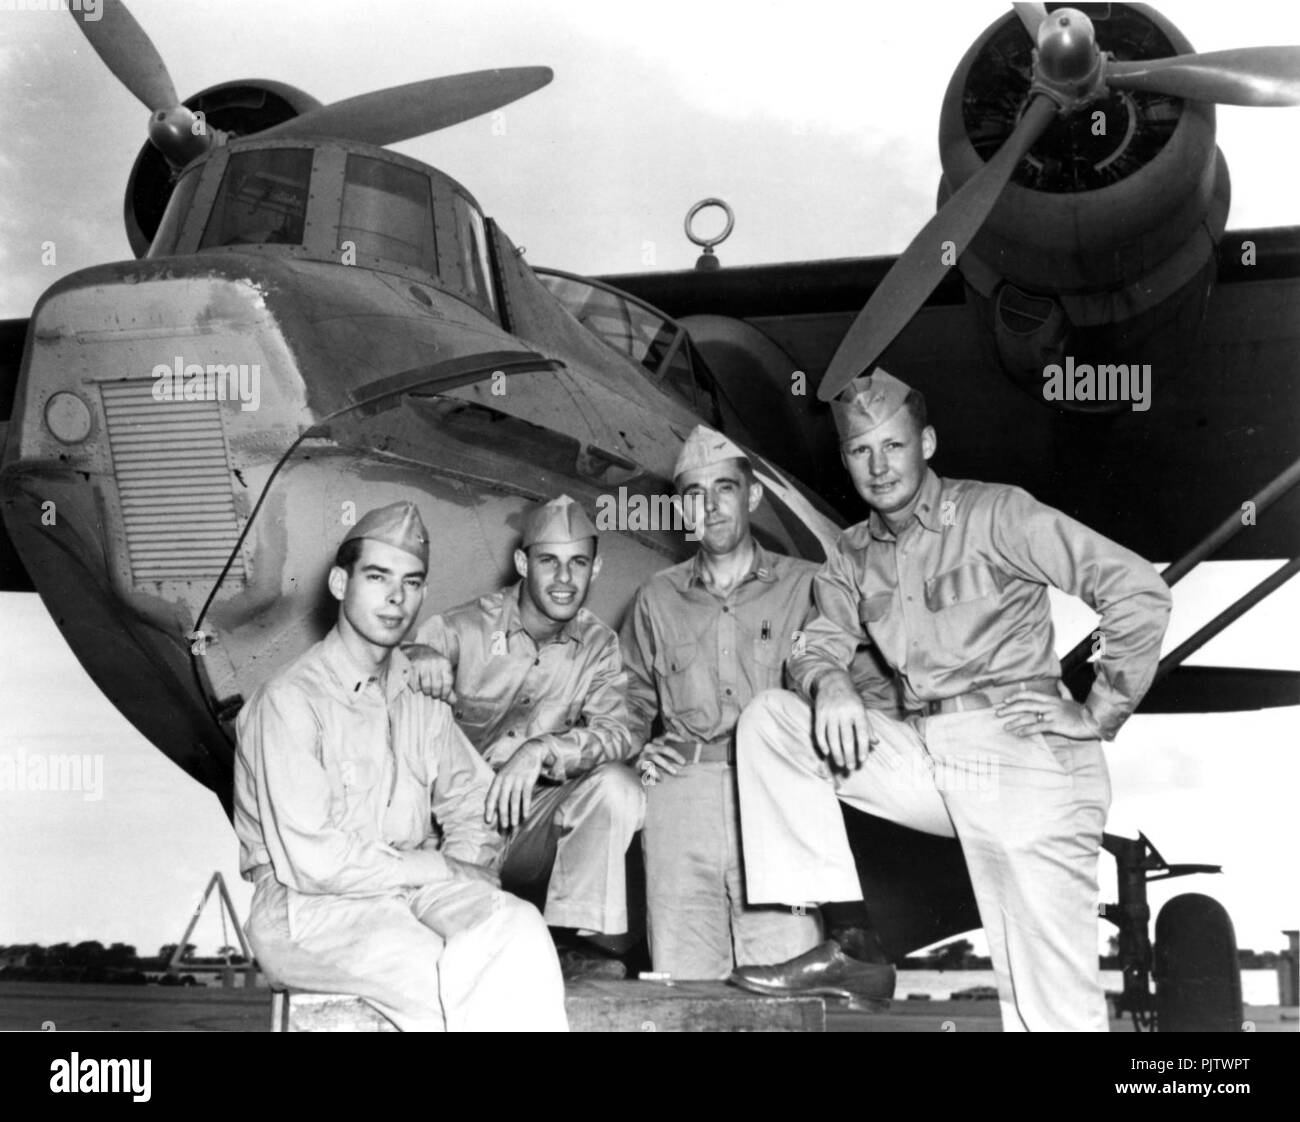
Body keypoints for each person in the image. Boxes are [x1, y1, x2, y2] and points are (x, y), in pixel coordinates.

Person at [729, 369, 1172, 1031]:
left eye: (894, 446)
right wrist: (833, 684)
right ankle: (853, 943)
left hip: (1025, 758)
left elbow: (1138, 590)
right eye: (860, 451)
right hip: (932, 760)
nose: (878, 466)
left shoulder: (998, 513)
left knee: (1048, 1011)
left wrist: (1096, 712)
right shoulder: (851, 556)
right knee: (772, 721)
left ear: (927, 442)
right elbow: (814, 646)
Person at [233, 501, 568, 1031]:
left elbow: (473, 808)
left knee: (517, 927)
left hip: (408, 886)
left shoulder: (418, 698)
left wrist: (462, 871)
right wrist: (440, 868)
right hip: (308, 905)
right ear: (341, 584)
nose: (395, 598)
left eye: (411, 583)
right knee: (437, 975)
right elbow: (314, 862)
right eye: (377, 577)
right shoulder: (290, 701)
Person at [620, 426, 839, 979]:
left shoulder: (807, 587)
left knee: (785, 976)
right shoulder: (655, 598)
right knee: (685, 981)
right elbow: (626, 702)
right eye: (694, 494)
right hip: (679, 803)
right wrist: (633, 757)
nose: (710, 506)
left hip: (773, 798)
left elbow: (849, 684)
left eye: (724, 488)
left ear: (753, 496)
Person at [405, 495, 643, 978]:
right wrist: (413, 654)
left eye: (578, 563)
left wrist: (545, 749)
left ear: (594, 570)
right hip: (454, 827)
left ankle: (575, 944)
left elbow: (622, 730)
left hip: (534, 826)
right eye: (548, 562)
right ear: (522, 563)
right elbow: (385, 664)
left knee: (618, 787)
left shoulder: (598, 646)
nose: (563, 579)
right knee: (449, 962)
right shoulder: (461, 628)